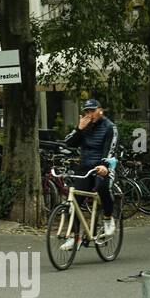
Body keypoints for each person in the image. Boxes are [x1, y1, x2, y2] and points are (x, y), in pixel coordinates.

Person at [62, 98, 119, 246]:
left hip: (103, 166)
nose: (89, 114)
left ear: (100, 110)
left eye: (92, 111)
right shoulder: (84, 125)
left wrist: (105, 166)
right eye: (87, 111)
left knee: (103, 187)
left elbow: (111, 150)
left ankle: (107, 218)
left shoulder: (109, 127)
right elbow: (68, 142)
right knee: (74, 201)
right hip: (85, 166)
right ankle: (74, 237)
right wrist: (79, 129)